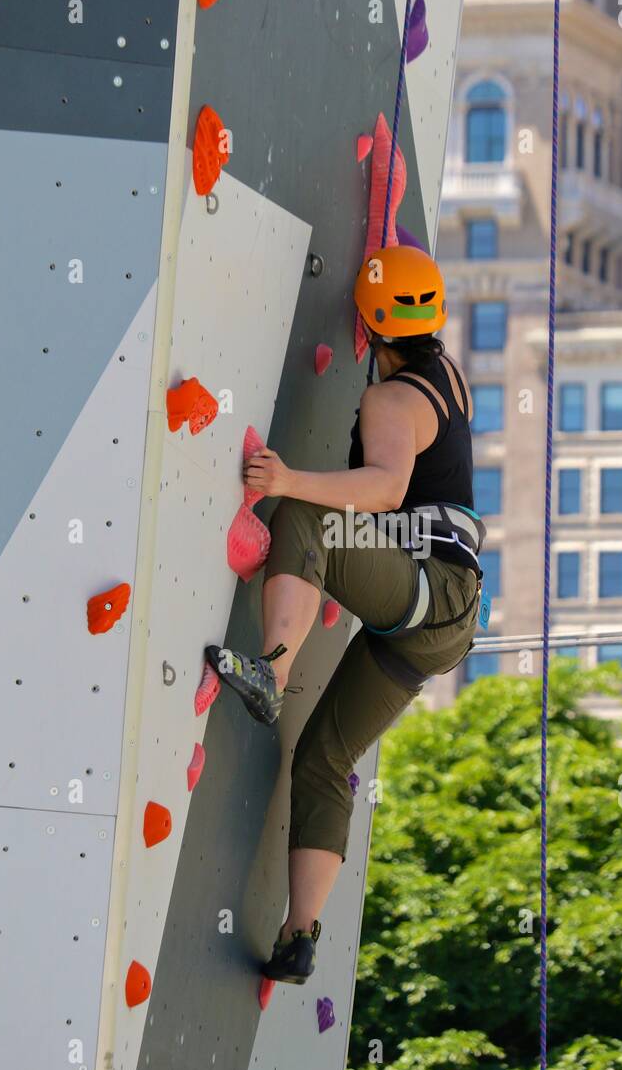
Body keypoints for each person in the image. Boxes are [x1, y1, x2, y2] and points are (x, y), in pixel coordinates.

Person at [205, 246, 485, 984]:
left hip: (429, 588)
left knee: (306, 515)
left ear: (369, 326)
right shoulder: (448, 377)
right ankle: (300, 935)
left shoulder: (389, 400)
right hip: (444, 619)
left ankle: (273, 671)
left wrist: (291, 476)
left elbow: (388, 489)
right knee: (325, 760)